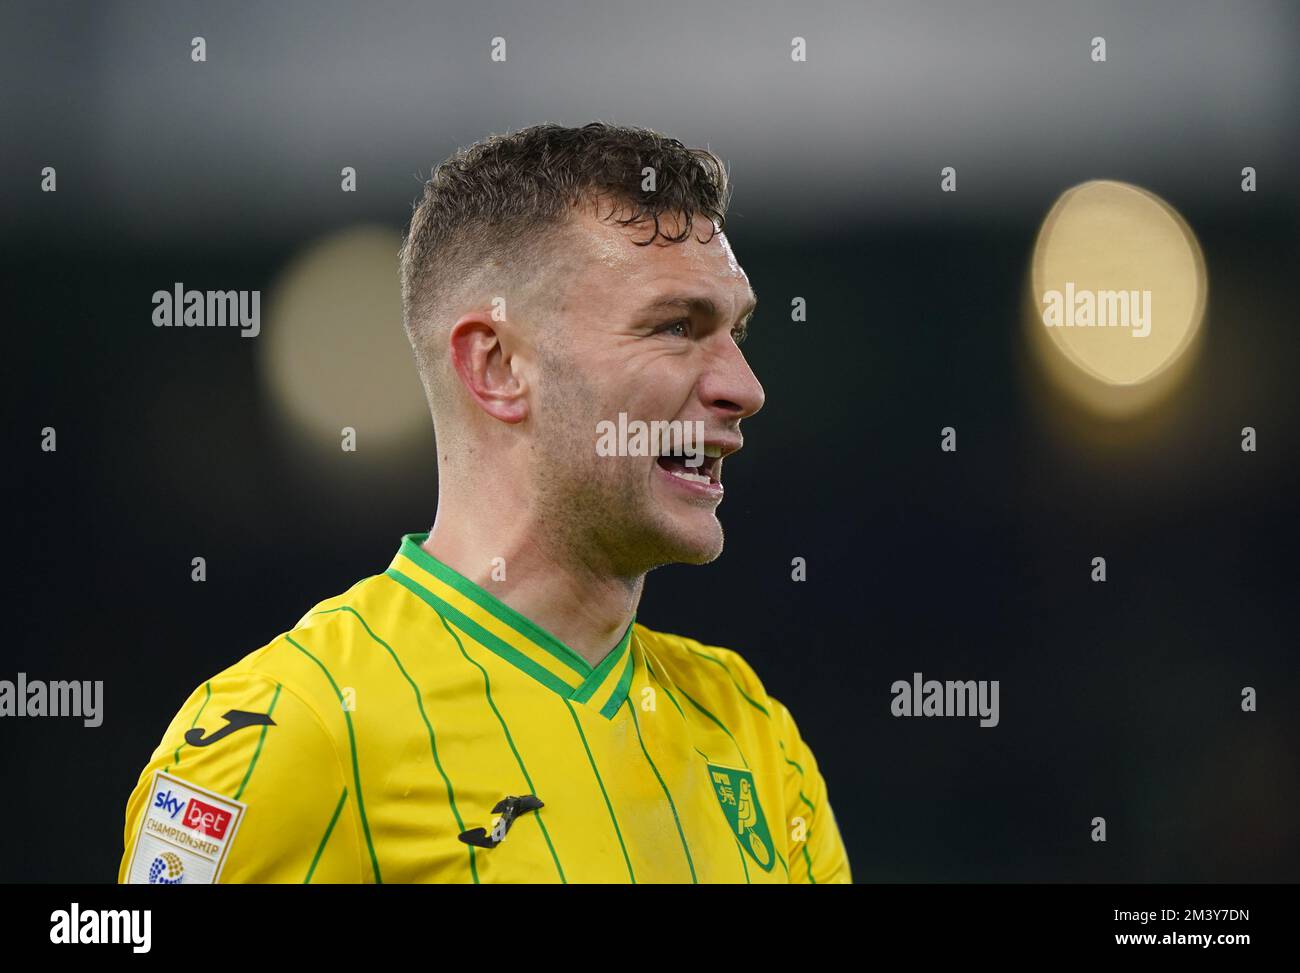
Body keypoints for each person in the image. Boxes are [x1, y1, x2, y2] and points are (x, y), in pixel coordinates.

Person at [118, 122, 851, 883]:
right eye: (675, 327)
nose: (745, 387)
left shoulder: (748, 732)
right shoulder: (287, 729)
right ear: (497, 366)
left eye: (735, 330)